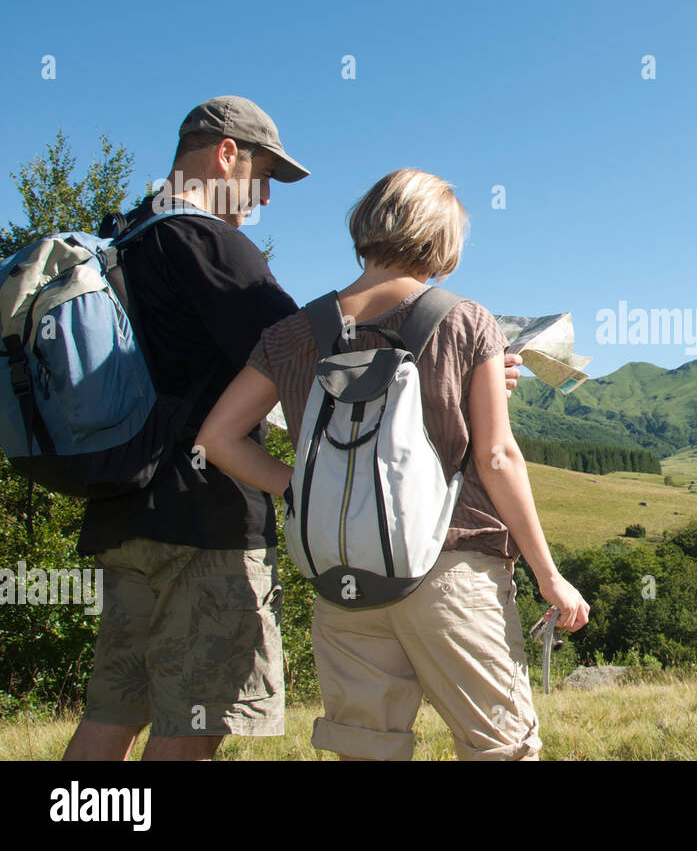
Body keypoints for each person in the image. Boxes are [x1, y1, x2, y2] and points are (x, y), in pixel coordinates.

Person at [61, 96, 526, 761]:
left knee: (113, 706)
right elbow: (325, 359)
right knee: (196, 712)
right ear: (228, 153)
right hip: (203, 521)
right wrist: (471, 371)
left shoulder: (126, 241)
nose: (267, 199)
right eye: (266, 175)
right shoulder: (212, 244)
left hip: (121, 513)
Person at [196, 167, 588, 760]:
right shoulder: (464, 319)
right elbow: (497, 455)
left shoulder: (292, 333)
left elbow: (218, 440)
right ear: (442, 241)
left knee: (365, 749)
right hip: (451, 571)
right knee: (500, 748)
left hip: (343, 577)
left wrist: (300, 489)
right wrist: (548, 573)